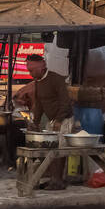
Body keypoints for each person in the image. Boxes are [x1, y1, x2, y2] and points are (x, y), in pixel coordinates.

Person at [24, 55, 73, 192]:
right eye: (29, 70)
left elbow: (65, 102)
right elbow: (39, 103)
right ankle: (54, 179)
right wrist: (35, 122)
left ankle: (58, 181)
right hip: (52, 120)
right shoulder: (38, 81)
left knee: (58, 150)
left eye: (33, 70)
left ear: (43, 65)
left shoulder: (56, 79)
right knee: (48, 149)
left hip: (64, 119)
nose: (31, 73)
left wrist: (59, 120)